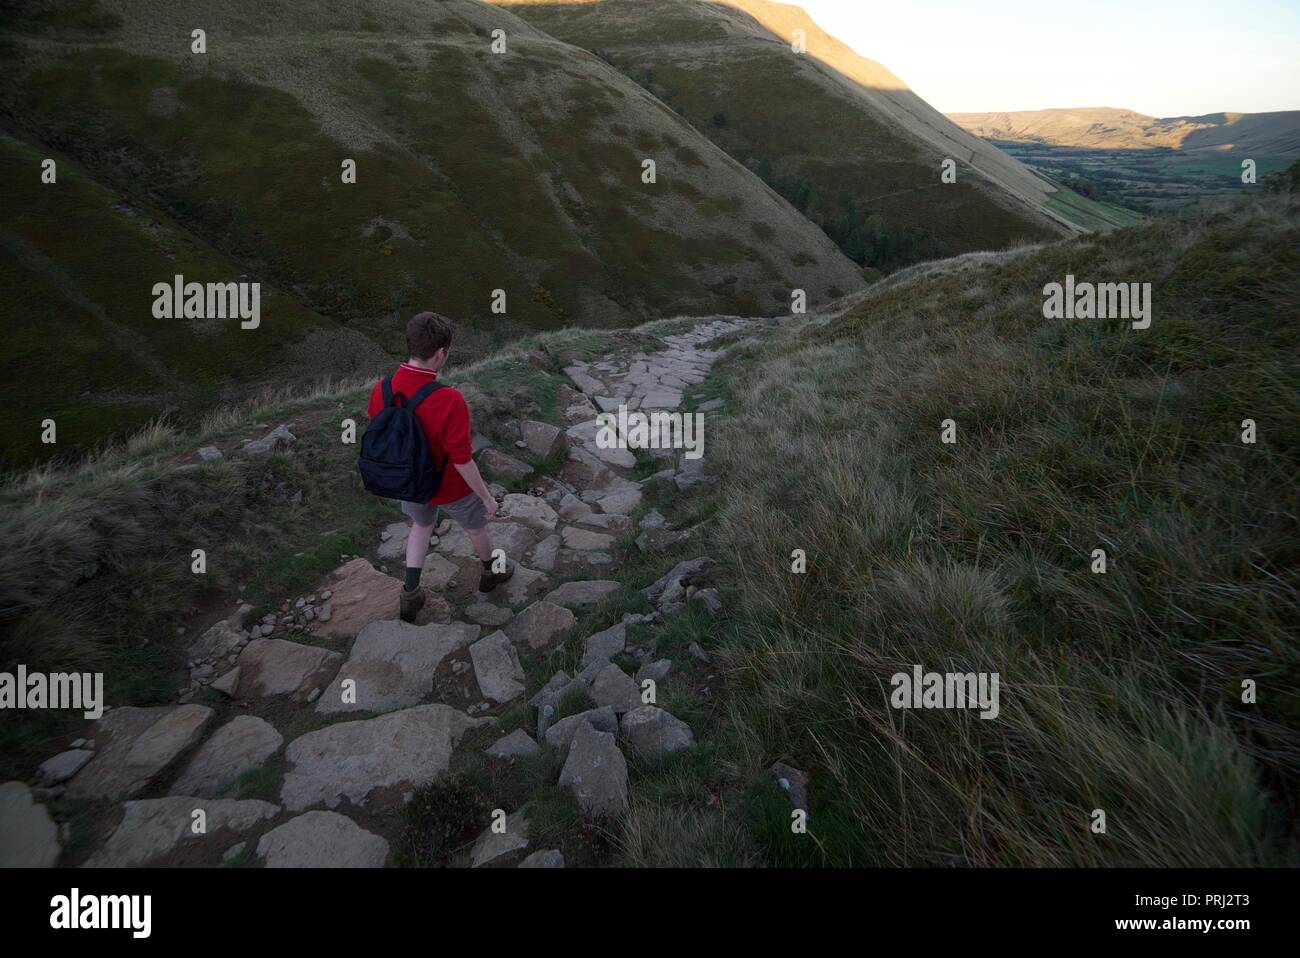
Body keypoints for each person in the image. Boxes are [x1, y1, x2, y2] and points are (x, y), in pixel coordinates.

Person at [366, 311, 514, 622]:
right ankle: (490, 574)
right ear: (441, 353)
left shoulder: (381, 389)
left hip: (410, 482)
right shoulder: (449, 398)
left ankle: (410, 593)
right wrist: (486, 498)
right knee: (476, 527)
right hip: (449, 486)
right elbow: (461, 459)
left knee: (421, 526)